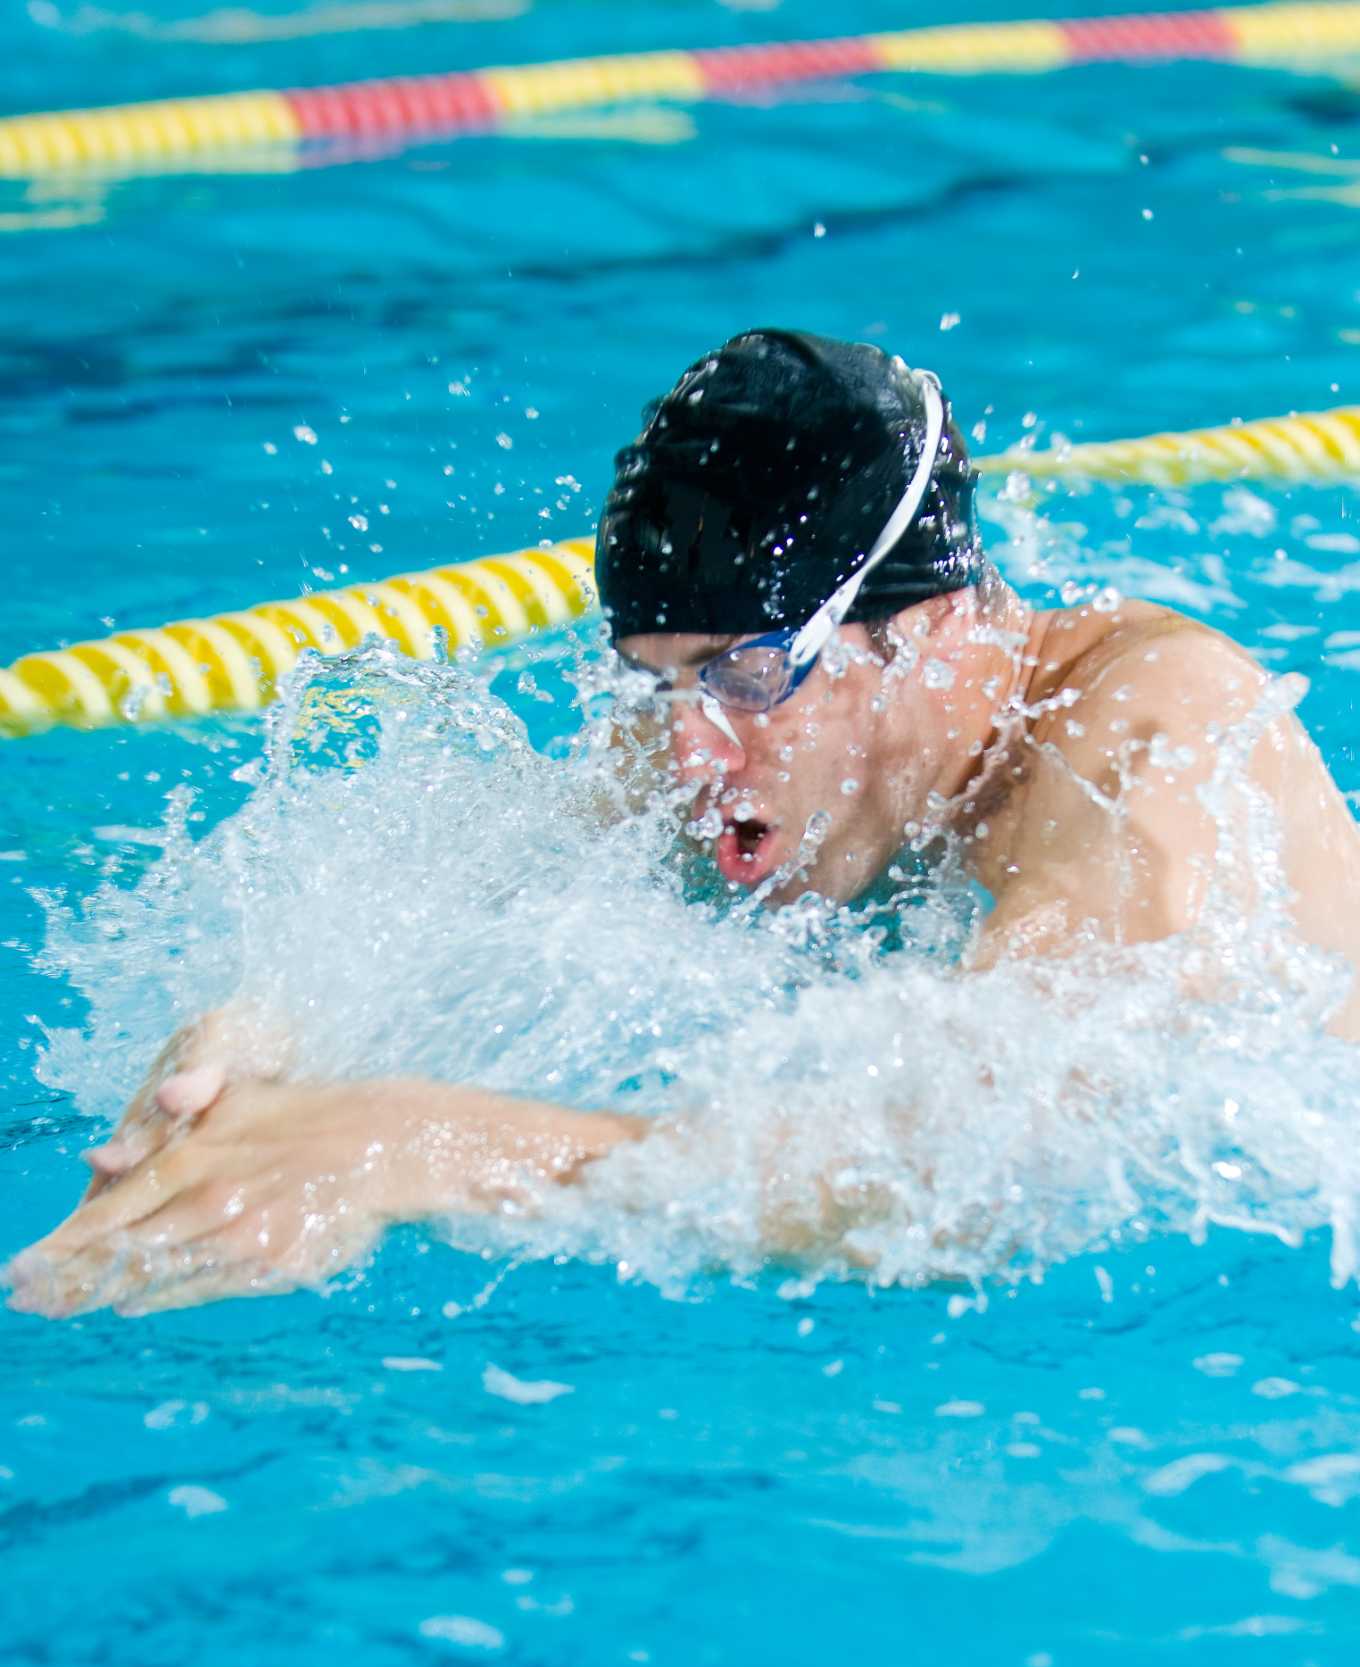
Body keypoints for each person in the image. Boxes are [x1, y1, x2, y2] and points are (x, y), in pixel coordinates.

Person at [10, 328, 1360, 1317]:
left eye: (746, 677)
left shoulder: (1144, 770)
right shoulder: (735, 723)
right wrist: (264, 1030)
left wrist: (423, 1141)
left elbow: (946, 1174)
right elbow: (461, 871)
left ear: (938, 628)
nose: (688, 749)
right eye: (660, 682)